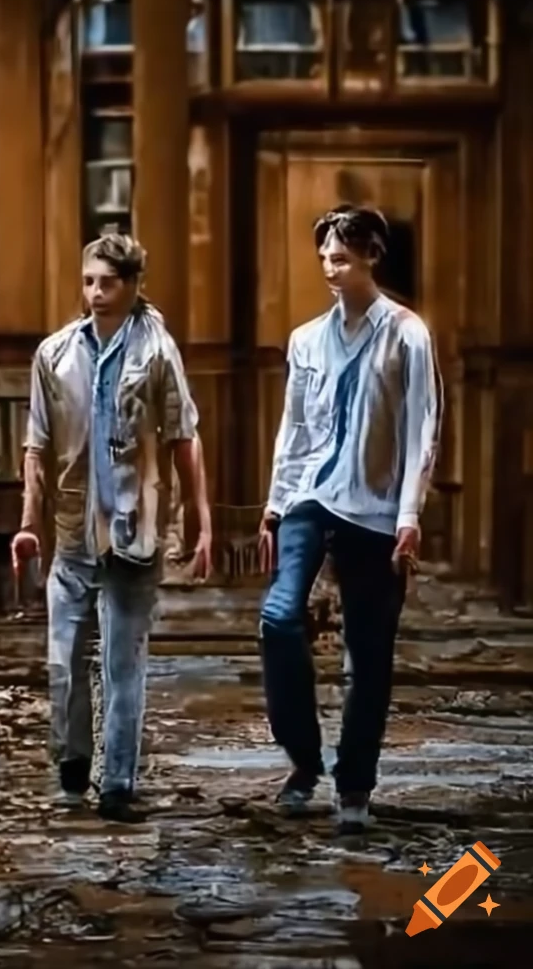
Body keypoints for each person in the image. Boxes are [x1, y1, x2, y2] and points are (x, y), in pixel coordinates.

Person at [11, 232, 213, 824]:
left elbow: (183, 437)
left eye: (108, 282)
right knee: (64, 657)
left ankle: (118, 781)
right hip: (73, 525)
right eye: (88, 282)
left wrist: (201, 519)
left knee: (123, 660)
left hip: (134, 523)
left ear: (132, 285)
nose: (96, 294)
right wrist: (29, 521)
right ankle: (72, 764)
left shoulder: (157, 352)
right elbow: (36, 444)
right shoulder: (55, 354)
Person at [257, 203, 442, 834]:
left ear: (369, 256)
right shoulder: (307, 339)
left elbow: (423, 428)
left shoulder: (407, 333)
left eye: (340, 257)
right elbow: (295, 427)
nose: (330, 270)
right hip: (311, 494)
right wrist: (276, 504)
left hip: (377, 506)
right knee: (278, 619)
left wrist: (410, 515)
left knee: (369, 653)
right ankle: (304, 760)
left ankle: (354, 783)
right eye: (324, 259)